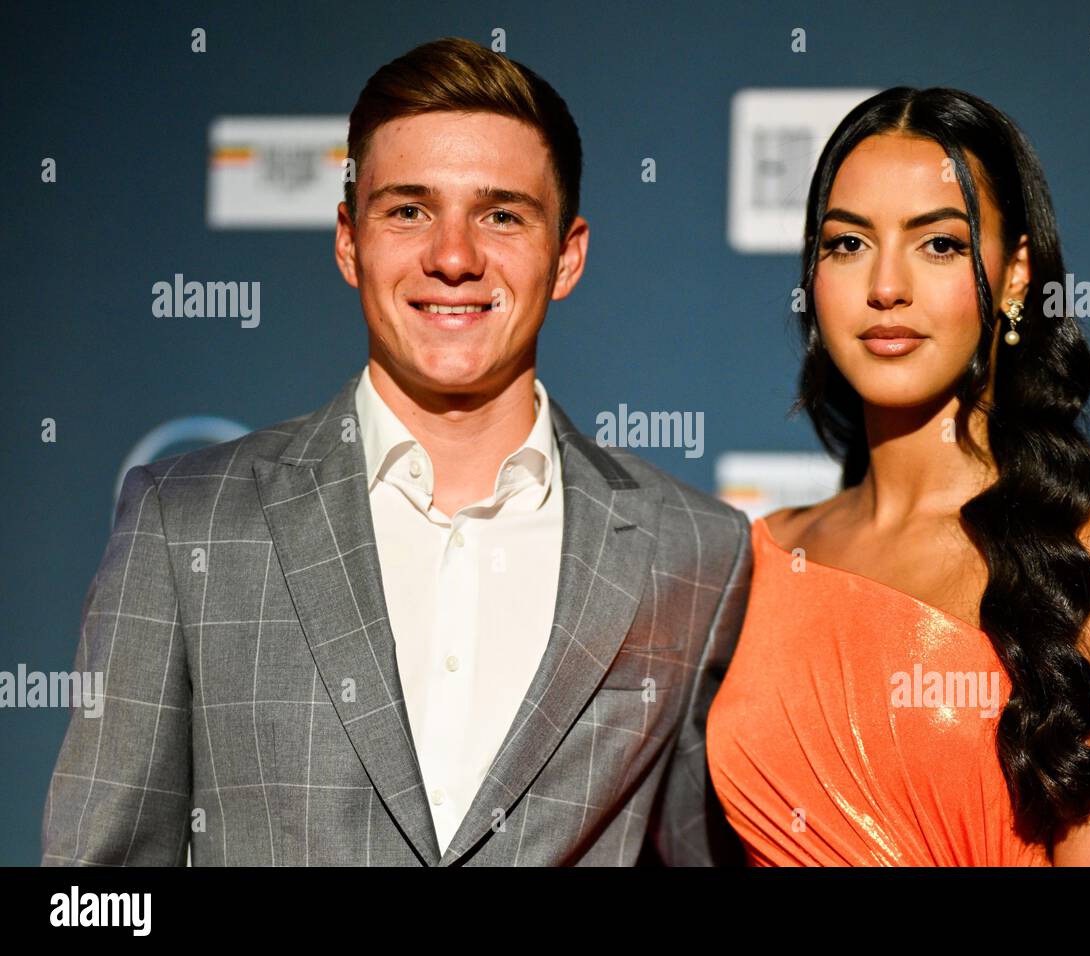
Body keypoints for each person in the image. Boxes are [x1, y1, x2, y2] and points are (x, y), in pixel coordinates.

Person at [42, 37, 751, 867]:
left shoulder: (693, 552)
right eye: (409, 210)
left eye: (502, 215)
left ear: (568, 257)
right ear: (349, 241)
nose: (453, 257)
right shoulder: (187, 523)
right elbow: (96, 890)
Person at [706, 87, 1090, 866]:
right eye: (847, 244)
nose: (885, 286)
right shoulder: (752, 562)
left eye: (940, 245)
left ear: (1018, 274)